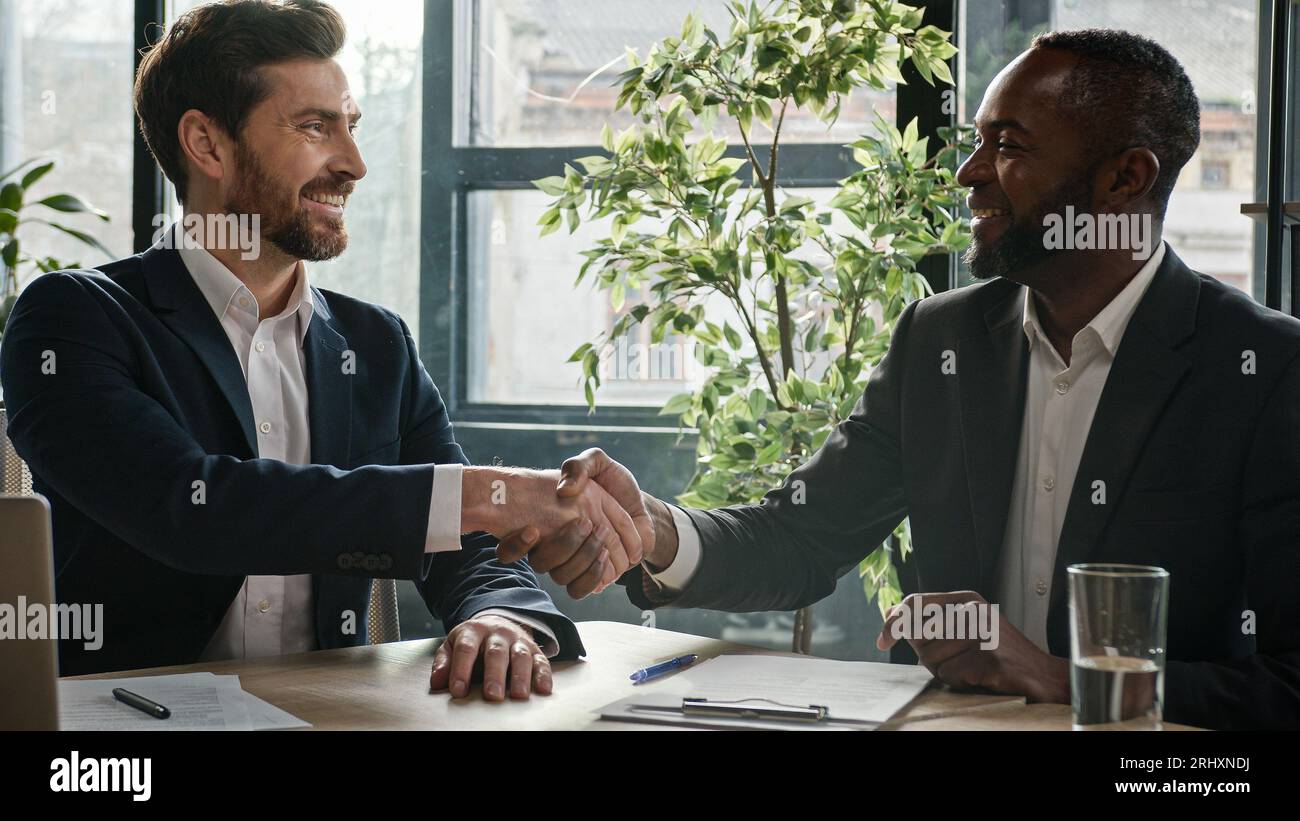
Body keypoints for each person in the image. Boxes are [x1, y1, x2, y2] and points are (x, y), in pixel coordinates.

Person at [503, 29, 1300, 729]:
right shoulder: (942, 340)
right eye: (980, 141)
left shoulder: (1267, 372)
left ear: (1125, 181)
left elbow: (1288, 684)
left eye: (1011, 147)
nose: (969, 174)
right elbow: (803, 536)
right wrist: (657, 528)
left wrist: (1061, 678)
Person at [0, 0, 642, 701]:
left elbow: (471, 547)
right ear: (207, 145)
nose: (355, 164)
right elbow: (194, 508)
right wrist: (494, 493)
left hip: (328, 717)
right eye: (315, 127)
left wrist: (499, 615)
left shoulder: (376, 346)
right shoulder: (73, 320)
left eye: (352, 127)